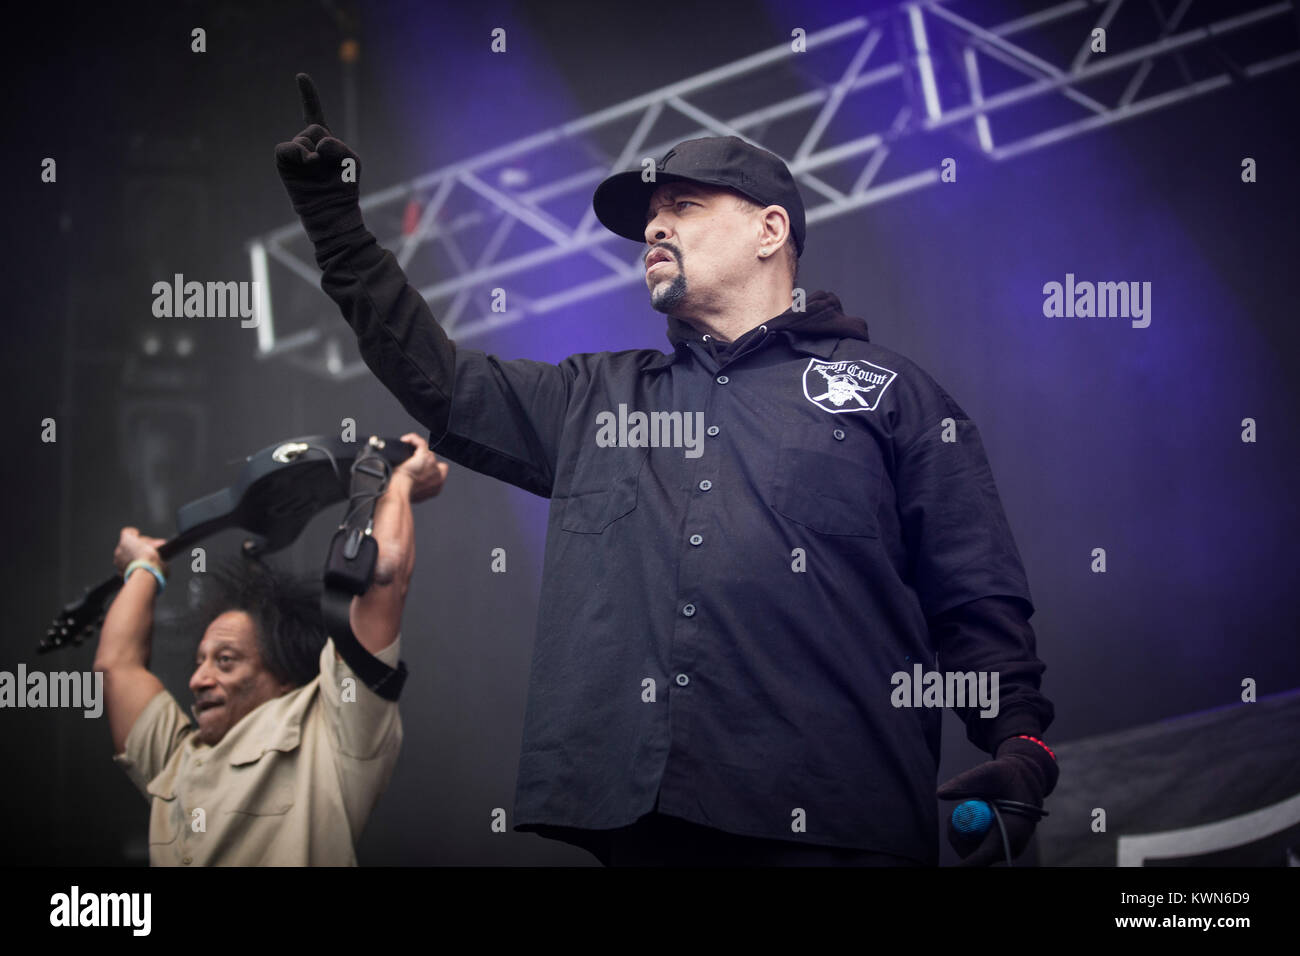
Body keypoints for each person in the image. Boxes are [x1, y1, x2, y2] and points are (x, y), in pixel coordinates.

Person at [275, 75, 1057, 866]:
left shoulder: (892, 394)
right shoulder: (596, 398)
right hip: (648, 827)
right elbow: (440, 381)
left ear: (769, 228)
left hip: (838, 823)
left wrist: (1019, 741)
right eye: (651, 215)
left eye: (683, 205)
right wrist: (336, 228)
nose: (654, 225)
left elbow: (974, 594)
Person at [94, 432, 448, 865]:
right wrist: (143, 568)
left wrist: (397, 484)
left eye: (225, 661)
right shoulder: (176, 758)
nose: (198, 679)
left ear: (282, 677)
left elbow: (383, 576)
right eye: (200, 661)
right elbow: (117, 666)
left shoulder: (331, 733)